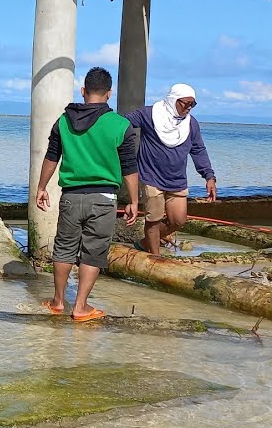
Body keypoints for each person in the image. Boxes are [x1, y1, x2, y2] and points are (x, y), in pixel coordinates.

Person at [34, 67, 139, 322]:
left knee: (64, 248)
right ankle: (80, 307)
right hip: (104, 198)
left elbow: (51, 157)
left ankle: (58, 301)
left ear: (83, 91)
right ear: (109, 93)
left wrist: (41, 187)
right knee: (94, 252)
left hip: (71, 196)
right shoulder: (121, 125)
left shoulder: (63, 121)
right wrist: (134, 201)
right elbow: (129, 167)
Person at [125, 83, 217, 256]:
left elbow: (198, 150)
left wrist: (209, 176)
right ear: (173, 100)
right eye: (186, 103)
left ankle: (145, 243)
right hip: (151, 176)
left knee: (178, 220)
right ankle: (155, 257)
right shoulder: (149, 114)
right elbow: (122, 123)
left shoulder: (192, 124)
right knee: (153, 220)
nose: (189, 107)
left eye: (193, 104)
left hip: (177, 180)